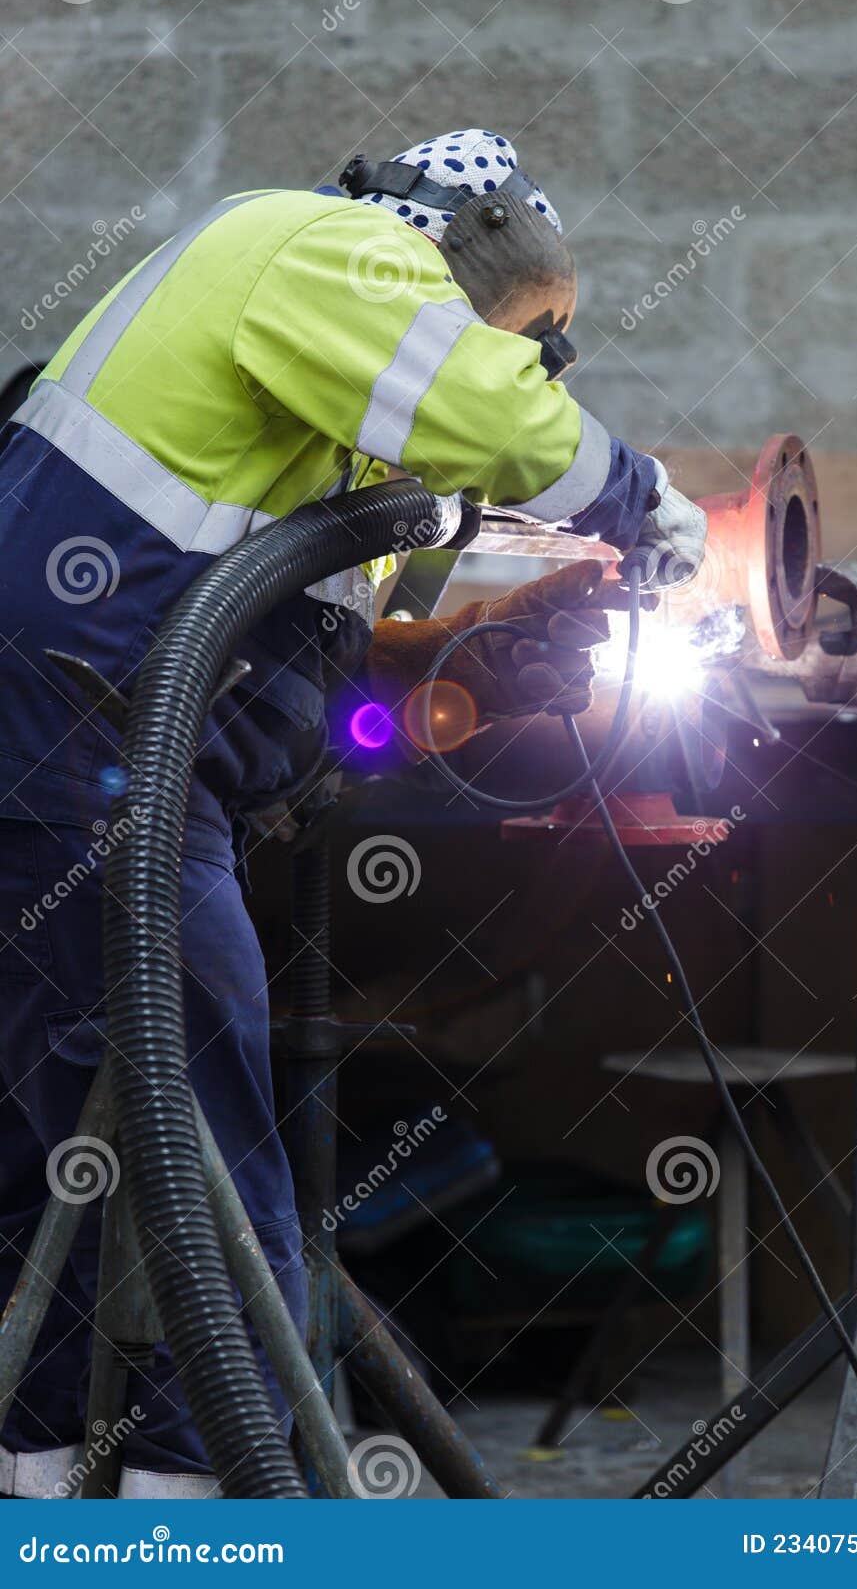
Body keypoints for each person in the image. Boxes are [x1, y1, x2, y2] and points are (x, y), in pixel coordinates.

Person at [0, 129, 705, 1497]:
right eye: (535, 341)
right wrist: (648, 505)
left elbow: (323, 684)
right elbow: (502, 423)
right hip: (84, 751)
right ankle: (214, 1510)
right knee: (196, 1164)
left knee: (74, 1159)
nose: (537, 374)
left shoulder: (319, 428)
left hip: (83, 752)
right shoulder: (326, 247)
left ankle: (52, 1505)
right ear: (462, 270)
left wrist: (481, 655)